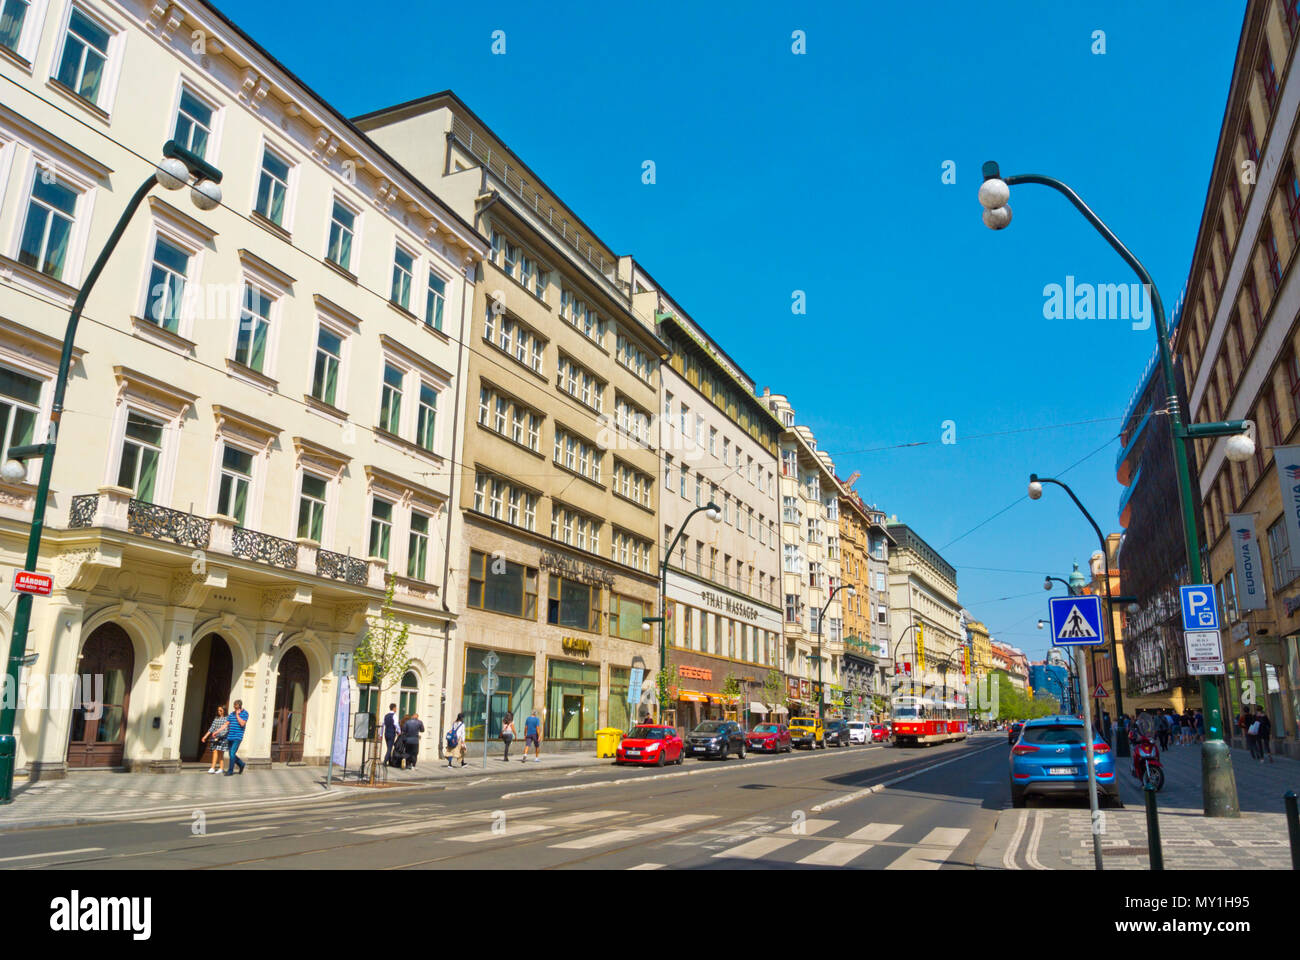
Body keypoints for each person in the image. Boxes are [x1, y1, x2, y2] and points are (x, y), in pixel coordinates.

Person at [223, 700, 249, 776]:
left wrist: (237, 715)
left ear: (240, 706)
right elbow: (226, 724)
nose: (234, 707)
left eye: (236, 705)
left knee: (231, 753)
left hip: (237, 737)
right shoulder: (231, 714)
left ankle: (230, 771)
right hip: (230, 737)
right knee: (232, 754)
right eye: (234, 705)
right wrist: (216, 732)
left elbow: (242, 724)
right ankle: (241, 764)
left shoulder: (245, 713)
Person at [202, 705, 228, 774]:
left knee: (220, 753)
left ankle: (220, 768)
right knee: (215, 751)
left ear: (224, 711)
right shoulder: (216, 718)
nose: (219, 712)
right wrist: (205, 736)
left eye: (221, 710)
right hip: (215, 737)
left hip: (222, 738)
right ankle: (213, 767)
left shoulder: (227, 719)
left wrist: (219, 736)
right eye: (218, 710)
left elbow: (226, 729)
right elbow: (211, 728)